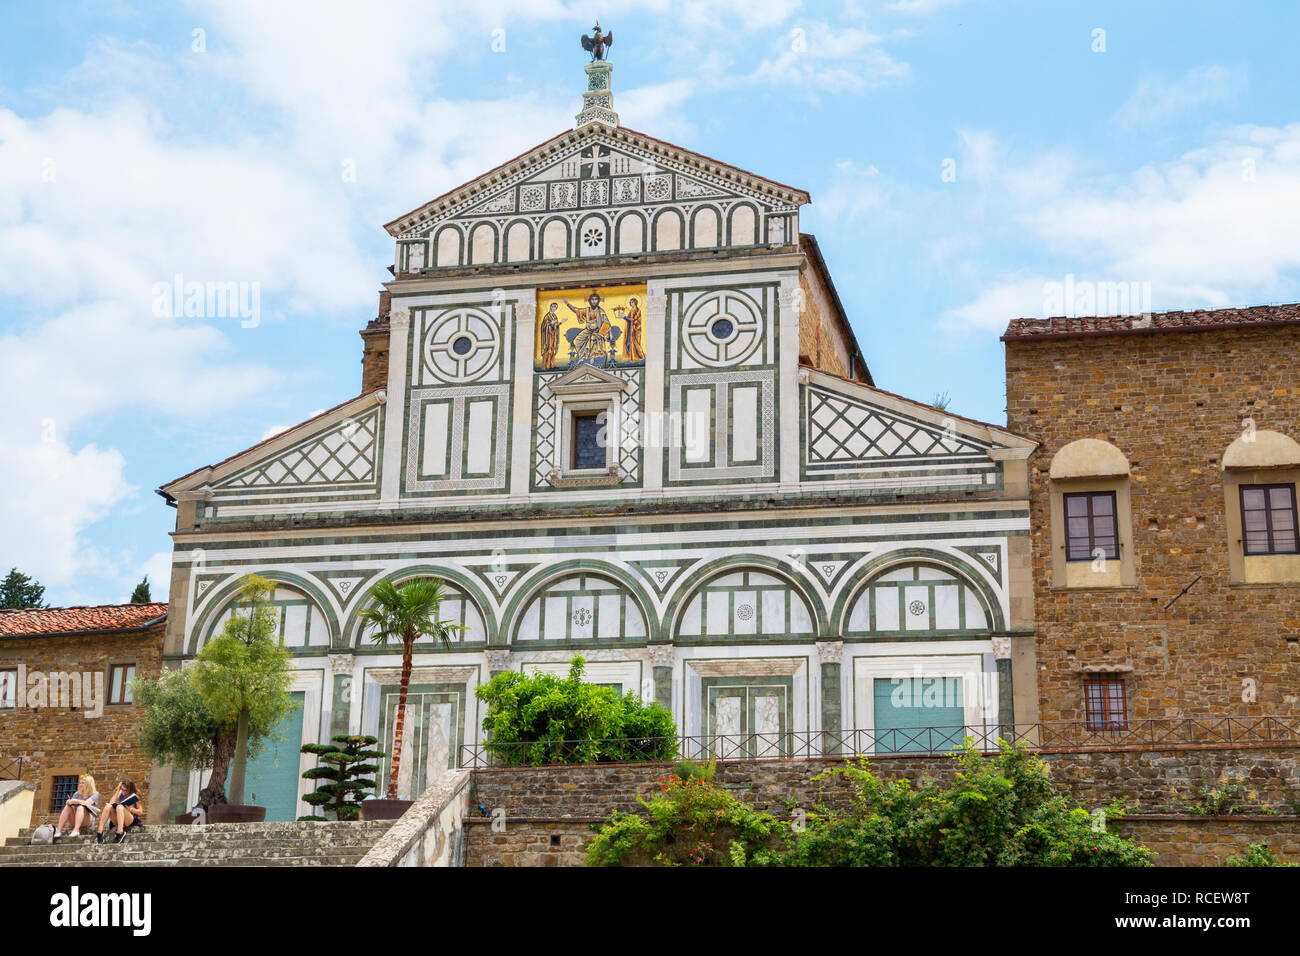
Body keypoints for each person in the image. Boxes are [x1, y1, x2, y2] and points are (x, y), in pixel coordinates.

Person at [96, 778, 144, 845]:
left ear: (130, 789)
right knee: (108, 806)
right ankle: (100, 832)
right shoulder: (120, 793)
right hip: (118, 819)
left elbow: (140, 811)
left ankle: (120, 832)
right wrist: (118, 790)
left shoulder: (136, 795)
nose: (123, 792)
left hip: (129, 819)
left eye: (126, 790)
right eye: (122, 789)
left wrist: (131, 809)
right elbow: (111, 803)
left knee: (119, 807)